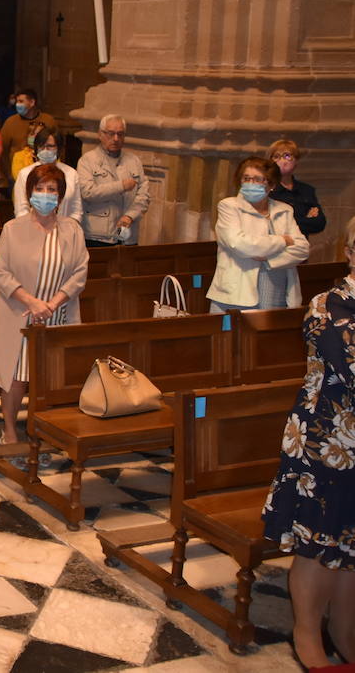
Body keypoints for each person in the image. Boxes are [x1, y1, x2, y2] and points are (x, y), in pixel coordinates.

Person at [261, 218, 355, 670]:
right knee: (318, 540)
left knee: (349, 540)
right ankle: (307, 632)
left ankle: (344, 630)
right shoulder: (328, 306)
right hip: (327, 441)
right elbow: (349, 370)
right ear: (351, 252)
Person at [0, 163, 89, 444]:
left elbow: (80, 272)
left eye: (51, 189)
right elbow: (1, 272)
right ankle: (9, 430)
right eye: (39, 189)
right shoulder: (12, 228)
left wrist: (51, 304)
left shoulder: (72, 230)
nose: (45, 194)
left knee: (49, 378)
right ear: (30, 193)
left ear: (60, 196)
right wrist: (30, 301)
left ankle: (43, 428)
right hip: (20, 315)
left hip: (57, 316)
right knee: (16, 376)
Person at [206, 157, 309, 312]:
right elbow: (240, 244)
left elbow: (302, 249)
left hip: (278, 287)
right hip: (237, 291)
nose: (251, 184)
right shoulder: (229, 207)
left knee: (272, 334)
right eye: (246, 178)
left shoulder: (284, 210)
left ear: (272, 185)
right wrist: (281, 242)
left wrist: (267, 257)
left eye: (258, 179)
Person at [78, 114, 151, 246]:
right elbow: (88, 192)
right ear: (100, 134)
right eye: (111, 134)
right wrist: (120, 186)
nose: (116, 139)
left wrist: (130, 216)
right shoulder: (87, 160)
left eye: (120, 134)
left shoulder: (134, 161)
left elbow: (144, 195)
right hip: (97, 236)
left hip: (127, 235)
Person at [12, 131, 83, 222]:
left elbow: (76, 211)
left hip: (64, 230)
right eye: (41, 146)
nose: (45, 150)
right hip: (31, 230)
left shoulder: (71, 174)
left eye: (50, 146)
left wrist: (68, 228)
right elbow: (21, 210)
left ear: (59, 148)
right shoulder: (25, 173)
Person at [0, 89, 56, 191]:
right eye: (17, 101)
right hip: (17, 174)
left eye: (21, 101)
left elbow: (58, 146)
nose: (17, 104)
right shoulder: (10, 122)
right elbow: (3, 150)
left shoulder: (48, 121)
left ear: (32, 102)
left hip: (45, 174)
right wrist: (7, 175)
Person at [269, 139, 326, 239]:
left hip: (301, 247)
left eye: (287, 156)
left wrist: (287, 222)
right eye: (276, 156)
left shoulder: (306, 190)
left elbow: (319, 223)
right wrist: (305, 219)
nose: (282, 161)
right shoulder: (267, 190)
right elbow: (269, 224)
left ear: (296, 161)